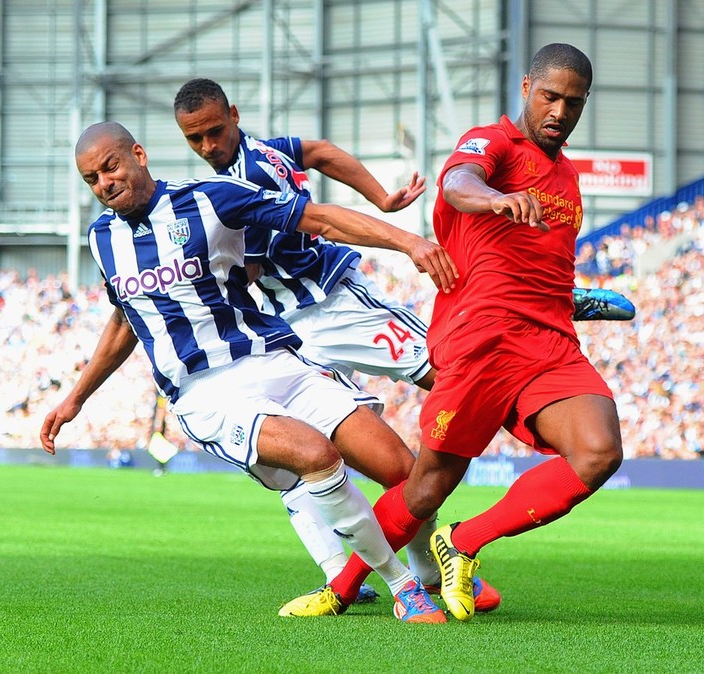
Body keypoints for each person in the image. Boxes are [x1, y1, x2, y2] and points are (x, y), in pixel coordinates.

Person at [40, 121, 460, 623]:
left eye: (110, 167)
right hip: (205, 393)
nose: (104, 184)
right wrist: (75, 398)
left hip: (273, 361)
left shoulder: (210, 199)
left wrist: (409, 243)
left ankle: (430, 575)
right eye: (91, 179)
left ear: (138, 154)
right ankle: (403, 587)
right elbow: (125, 319)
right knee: (315, 456)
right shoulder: (102, 238)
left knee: (401, 470)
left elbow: (320, 220)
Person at [281, 43, 624, 621]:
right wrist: (497, 198)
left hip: (549, 341)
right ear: (526, 88)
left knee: (599, 452)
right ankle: (341, 589)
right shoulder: (492, 142)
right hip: (481, 340)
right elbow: (459, 184)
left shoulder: (566, 175)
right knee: (426, 487)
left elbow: (535, 264)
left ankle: (462, 542)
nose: (560, 111)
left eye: (574, 102)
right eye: (550, 96)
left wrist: (573, 299)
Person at [173, 78, 507, 611]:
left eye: (215, 131)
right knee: (303, 459)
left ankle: (532, 382)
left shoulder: (246, 177)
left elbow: (266, 258)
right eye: (195, 138)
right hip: (290, 332)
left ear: (233, 114)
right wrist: (380, 196)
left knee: (451, 377)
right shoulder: (268, 151)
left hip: (337, 304)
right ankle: (350, 578)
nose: (208, 146)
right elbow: (321, 152)